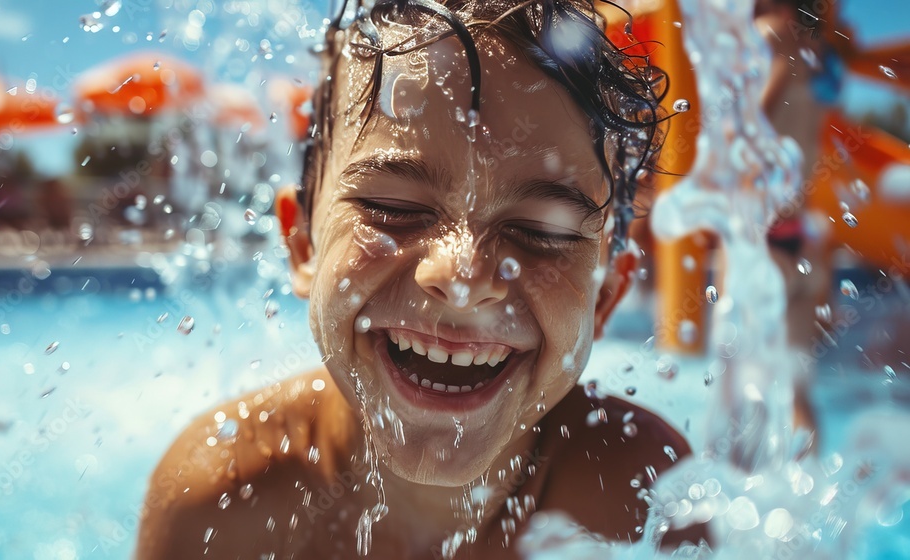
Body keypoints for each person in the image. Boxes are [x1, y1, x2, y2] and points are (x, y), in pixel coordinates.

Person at [136, 1, 701, 557]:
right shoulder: (222, 504)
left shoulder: (641, 495)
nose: (462, 277)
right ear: (303, 242)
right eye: (392, 206)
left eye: (540, 230)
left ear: (605, 291)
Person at [755, 0, 842, 433]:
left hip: (762, 234)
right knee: (796, 392)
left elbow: (752, 123)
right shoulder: (819, 54)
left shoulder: (771, 33)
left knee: (744, 386)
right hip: (803, 234)